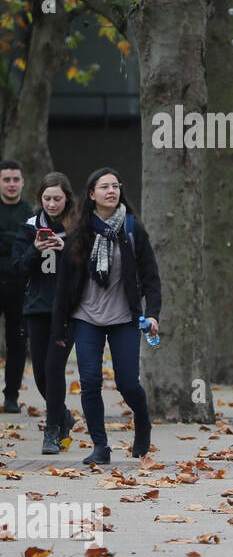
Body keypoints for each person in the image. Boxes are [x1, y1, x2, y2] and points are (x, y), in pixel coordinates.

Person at [51, 168, 161, 465]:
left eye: (115, 186)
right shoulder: (80, 231)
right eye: (104, 187)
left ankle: (143, 421)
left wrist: (152, 314)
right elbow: (63, 284)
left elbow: (151, 276)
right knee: (89, 382)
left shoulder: (132, 229)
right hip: (86, 318)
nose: (111, 191)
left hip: (124, 318)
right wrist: (59, 328)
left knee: (127, 383)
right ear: (92, 194)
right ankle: (100, 446)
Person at [12, 172, 78, 454]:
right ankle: (63, 416)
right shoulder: (29, 228)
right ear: (40, 198)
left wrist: (67, 250)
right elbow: (17, 269)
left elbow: (88, 267)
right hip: (37, 308)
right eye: (47, 198)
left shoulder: (78, 227)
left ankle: (51, 432)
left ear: (67, 199)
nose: (52, 204)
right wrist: (35, 250)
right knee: (40, 374)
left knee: (54, 368)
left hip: (68, 310)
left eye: (57, 199)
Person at [0, 159, 35, 412]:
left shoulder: (31, 213)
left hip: (20, 285)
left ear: (22, 182)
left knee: (17, 343)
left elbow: (30, 248)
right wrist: (15, 243)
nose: (11, 184)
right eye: (6, 179)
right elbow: (19, 244)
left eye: (15, 179)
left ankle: (11, 396)